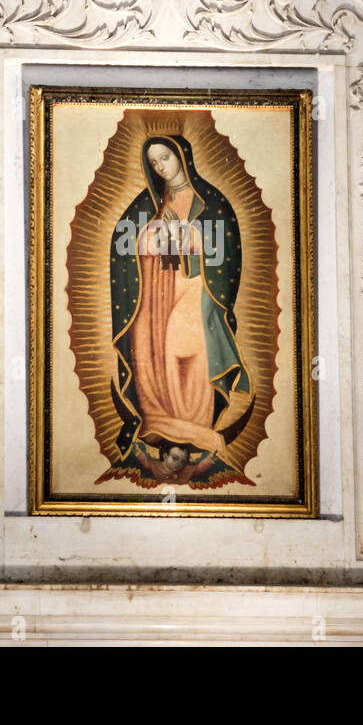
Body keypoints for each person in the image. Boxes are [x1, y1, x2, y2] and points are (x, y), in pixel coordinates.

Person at [108, 134, 251, 479]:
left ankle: (196, 424)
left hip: (193, 288)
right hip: (155, 295)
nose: (160, 167)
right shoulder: (147, 204)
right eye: (154, 162)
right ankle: (160, 419)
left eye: (165, 158)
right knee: (152, 352)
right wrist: (154, 237)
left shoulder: (212, 201)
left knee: (189, 349)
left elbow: (225, 250)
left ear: (182, 156)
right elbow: (125, 244)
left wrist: (184, 234)